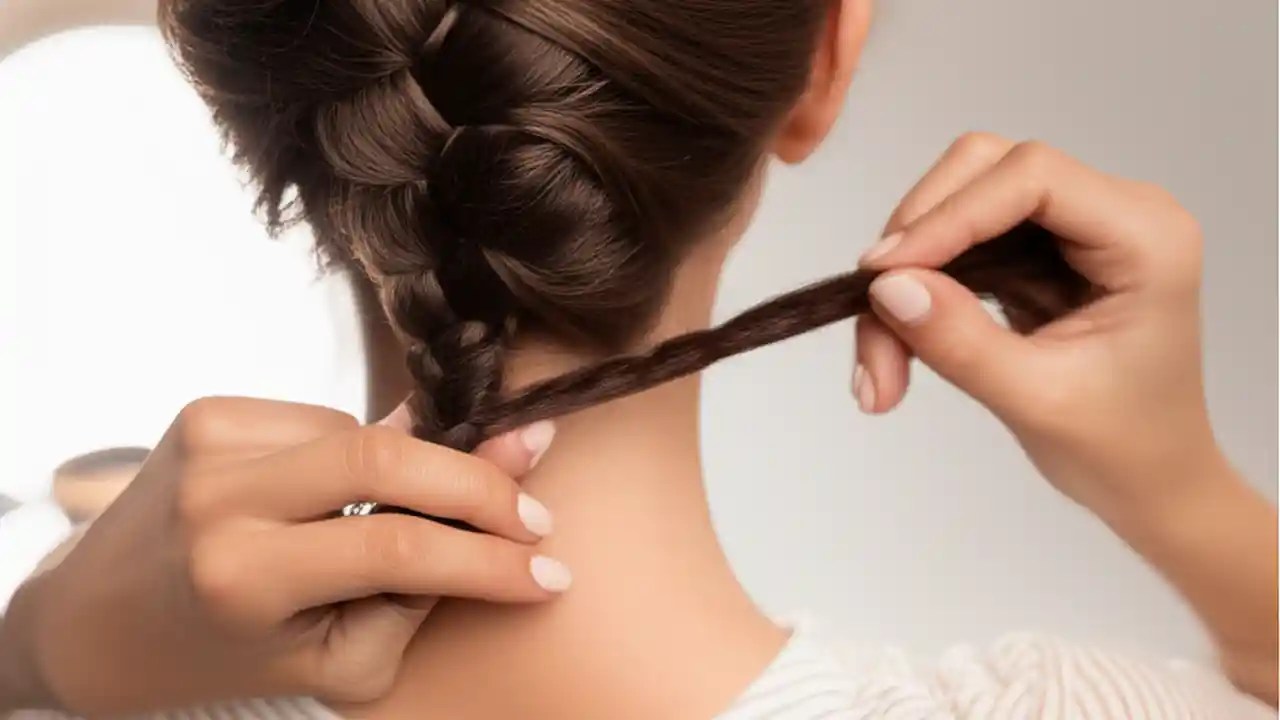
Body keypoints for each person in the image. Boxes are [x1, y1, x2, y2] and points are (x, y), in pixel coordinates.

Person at [1, 1, 1275, 719]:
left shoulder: (79, 650)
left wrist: (41, 650)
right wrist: (1176, 485)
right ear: (826, 59)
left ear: (232, 84)